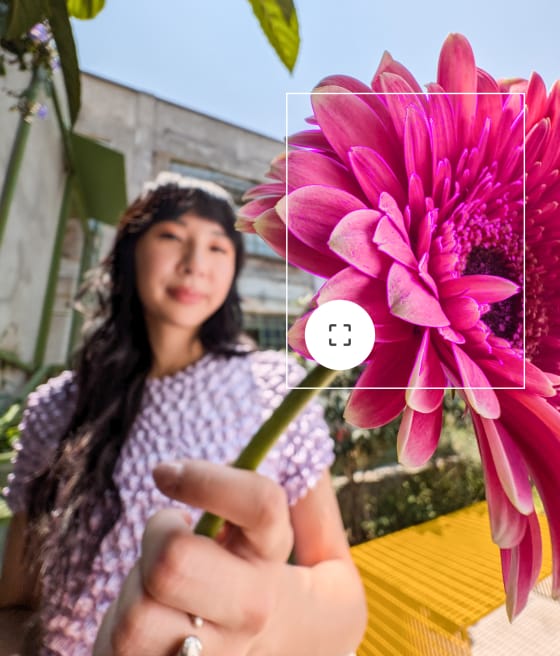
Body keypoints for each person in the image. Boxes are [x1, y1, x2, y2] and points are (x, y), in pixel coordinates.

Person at [0, 172, 367, 656]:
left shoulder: (273, 387)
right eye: (172, 237)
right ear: (130, 250)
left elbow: (341, 596)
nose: (195, 264)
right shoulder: (56, 405)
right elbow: (15, 605)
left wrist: (252, 622)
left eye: (218, 247)